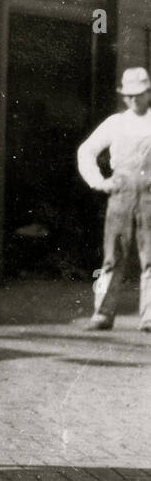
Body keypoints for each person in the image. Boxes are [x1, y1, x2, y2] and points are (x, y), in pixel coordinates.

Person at [76, 67, 151, 332]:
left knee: (150, 256)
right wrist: (99, 181)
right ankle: (102, 314)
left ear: (148, 93)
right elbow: (86, 151)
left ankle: (149, 316)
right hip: (121, 194)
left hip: (150, 197)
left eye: (139, 95)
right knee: (112, 256)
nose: (134, 100)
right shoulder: (116, 123)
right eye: (129, 95)